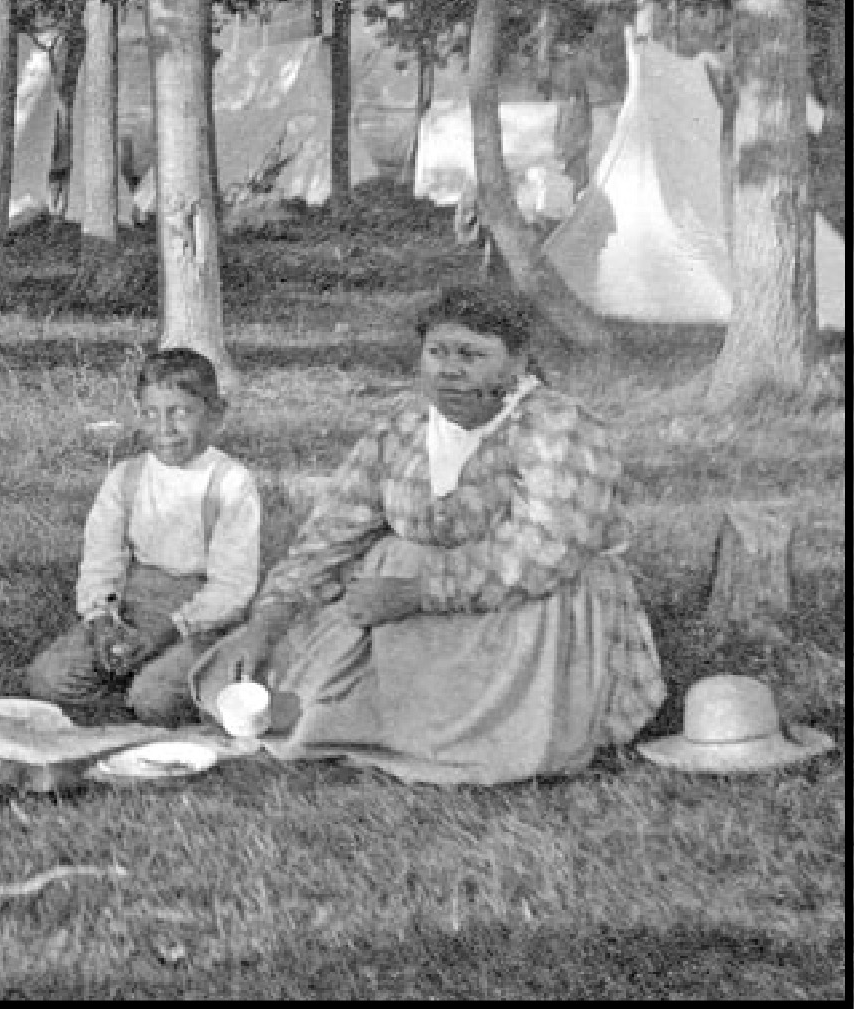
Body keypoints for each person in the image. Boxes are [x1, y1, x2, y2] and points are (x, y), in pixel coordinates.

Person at [190, 282, 667, 785]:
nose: (449, 370)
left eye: (471, 355)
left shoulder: (556, 428)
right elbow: (332, 532)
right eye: (436, 352)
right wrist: (270, 618)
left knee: (461, 732)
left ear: (517, 361)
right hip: (405, 610)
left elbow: (542, 555)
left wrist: (419, 591)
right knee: (262, 681)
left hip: (525, 612)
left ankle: (452, 728)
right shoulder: (405, 425)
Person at [23, 348, 262, 725]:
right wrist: (102, 621)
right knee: (47, 680)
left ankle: (174, 681)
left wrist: (164, 634)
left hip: (202, 614)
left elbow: (232, 585)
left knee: (155, 699)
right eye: (152, 414)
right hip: (135, 601)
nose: (165, 429)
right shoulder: (126, 477)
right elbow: (102, 558)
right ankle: (129, 677)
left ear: (216, 414)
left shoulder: (230, 483)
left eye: (181, 413)